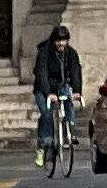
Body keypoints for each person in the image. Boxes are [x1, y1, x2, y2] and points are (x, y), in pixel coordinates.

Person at [31, 15, 85, 167]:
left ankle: (69, 127)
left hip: (61, 85)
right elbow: (41, 74)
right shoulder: (44, 52)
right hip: (44, 88)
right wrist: (48, 93)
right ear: (54, 41)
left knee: (67, 95)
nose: (61, 43)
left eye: (64, 40)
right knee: (47, 114)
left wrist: (77, 91)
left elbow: (75, 71)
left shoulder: (71, 53)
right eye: (58, 40)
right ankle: (43, 146)